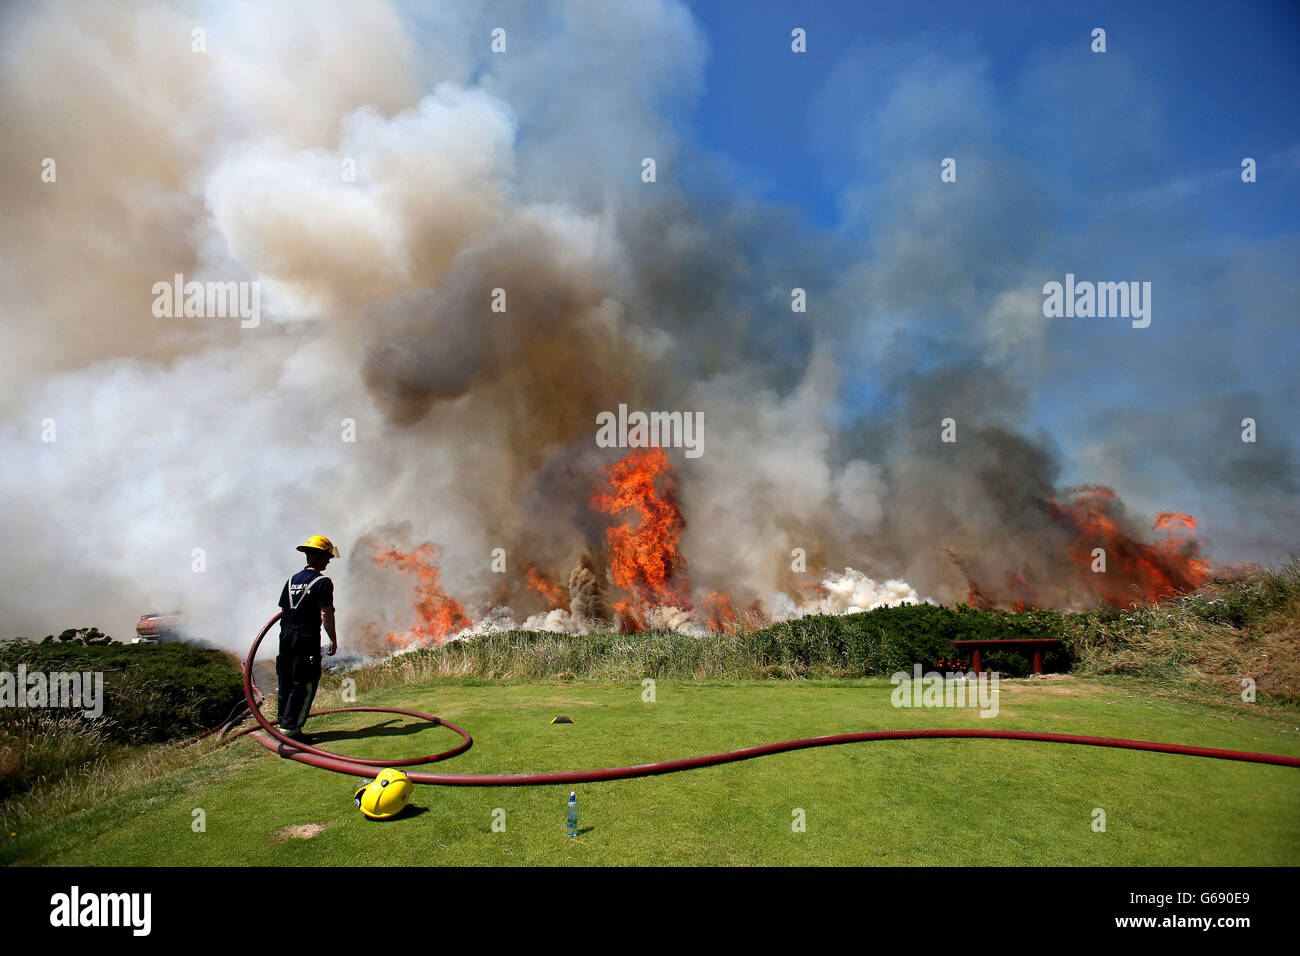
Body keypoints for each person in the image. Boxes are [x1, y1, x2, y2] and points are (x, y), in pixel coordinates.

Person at [276, 534, 339, 744]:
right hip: (306, 637)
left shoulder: (291, 580)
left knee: (286, 678)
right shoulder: (323, 582)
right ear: (318, 557)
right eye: (327, 557)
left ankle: (284, 724)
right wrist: (332, 639)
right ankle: (293, 731)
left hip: (286, 636)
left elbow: (285, 609)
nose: (329, 561)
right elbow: (325, 613)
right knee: (306, 682)